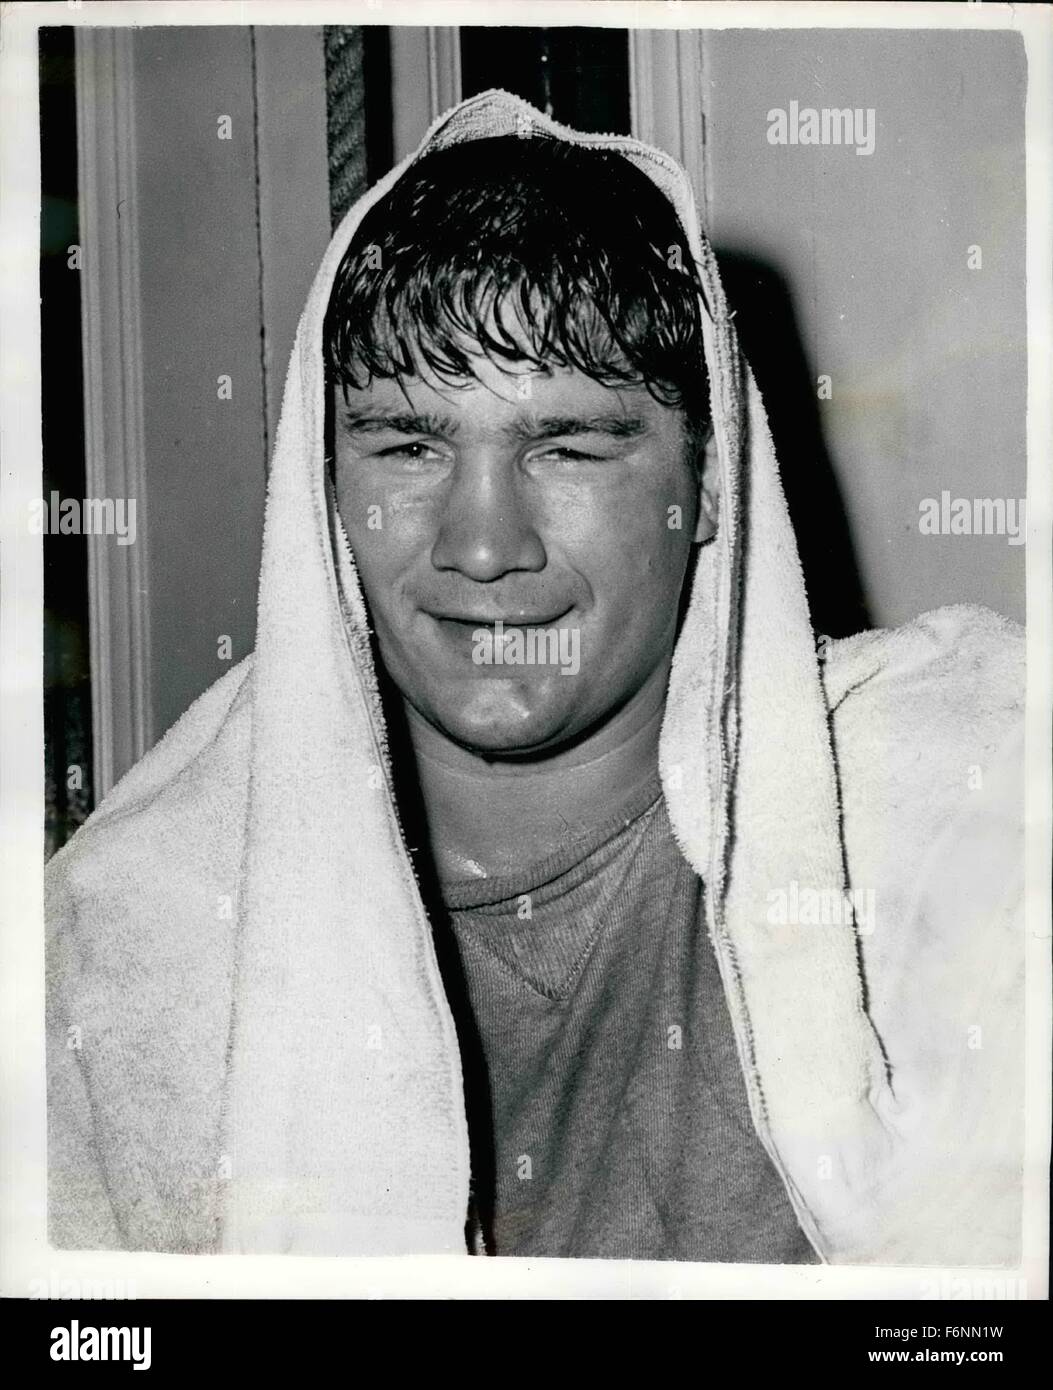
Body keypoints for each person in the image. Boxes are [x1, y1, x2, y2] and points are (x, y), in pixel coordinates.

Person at [45, 90, 1024, 1264]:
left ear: (708, 480)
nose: (483, 543)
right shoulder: (127, 938)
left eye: (567, 446)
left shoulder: (965, 815)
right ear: (324, 488)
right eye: (410, 444)